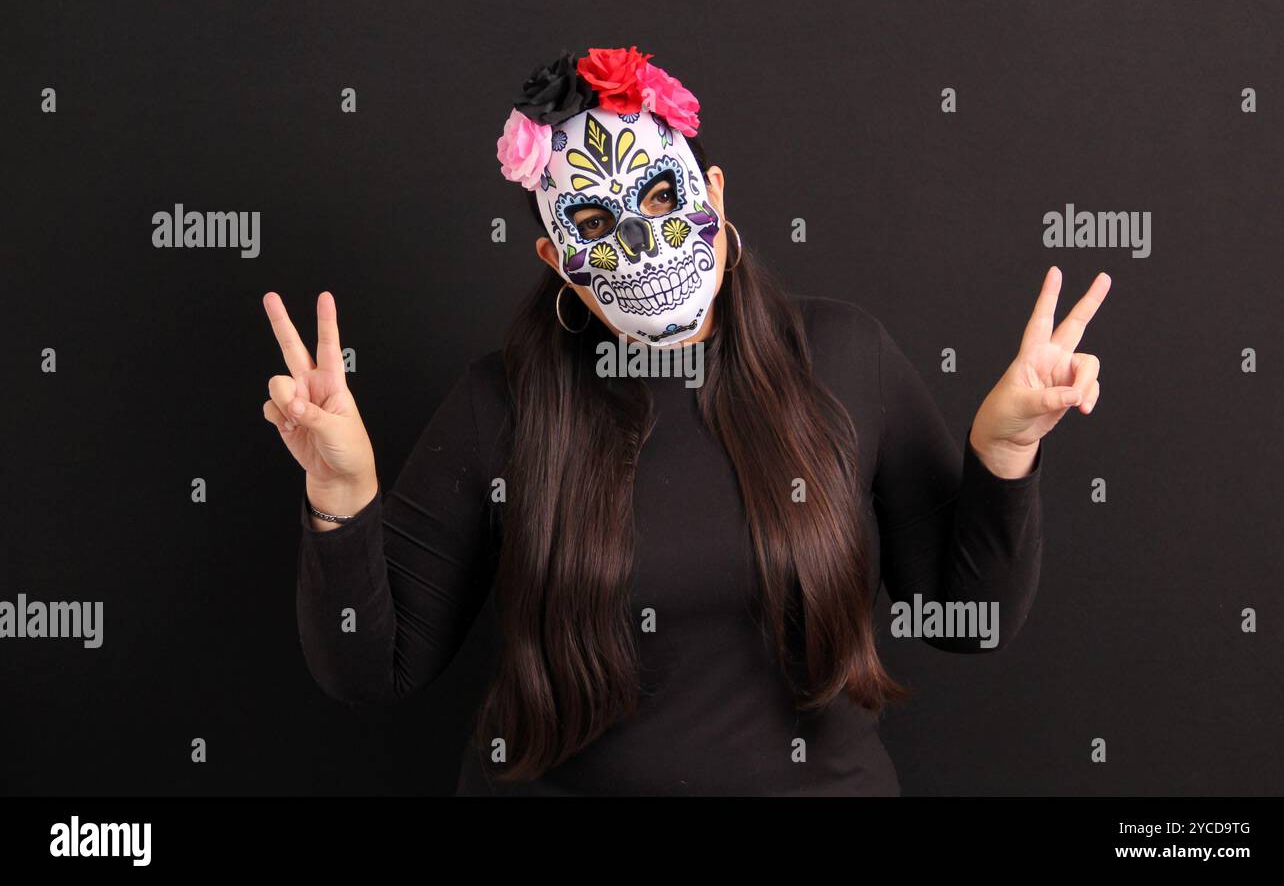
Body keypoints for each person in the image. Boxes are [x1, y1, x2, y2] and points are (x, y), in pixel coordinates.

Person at [261, 45, 1110, 795]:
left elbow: (969, 620)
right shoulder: (503, 403)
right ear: (558, 262)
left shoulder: (847, 360)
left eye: (663, 196)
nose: (641, 242)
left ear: (714, 192)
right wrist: (340, 498)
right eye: (593, 224)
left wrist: (1006, 449)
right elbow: (374, 671)